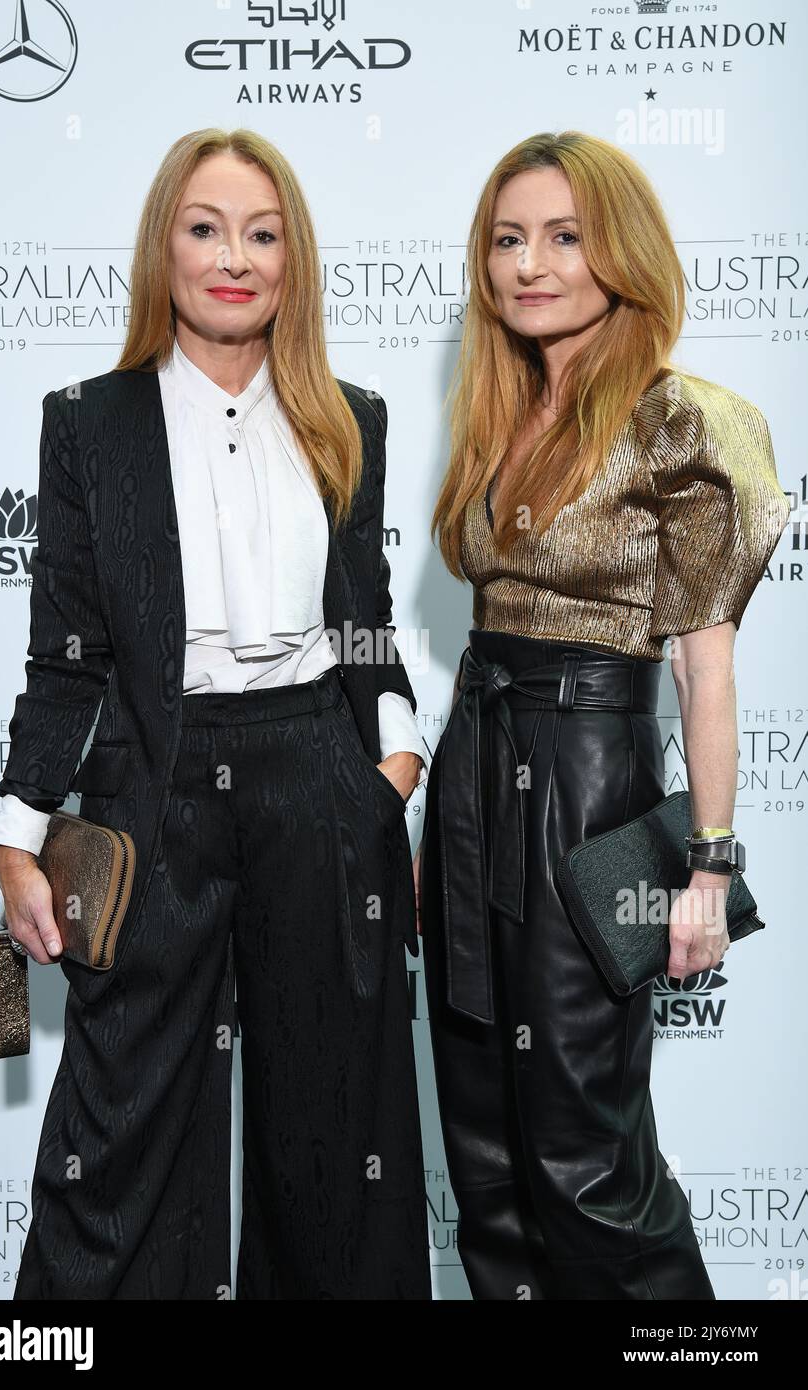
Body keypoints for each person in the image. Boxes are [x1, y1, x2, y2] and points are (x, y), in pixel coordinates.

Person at [0, 127, 432, 1301]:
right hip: (156, 780)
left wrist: (391, 753)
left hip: (316, 776)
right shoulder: (90, 421)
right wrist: (16, 834)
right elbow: (66, 654)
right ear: (164, 249)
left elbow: (364, 620)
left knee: (335, 1130)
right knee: (122, 1130)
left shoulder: (350, 416)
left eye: (261, 232)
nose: (232, 256)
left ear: (292, 259)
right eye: (204, 228)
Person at [416, 131, 790, 1301]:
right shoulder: (497, 416)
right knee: (483, 1150)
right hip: (474, 771)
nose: (530, 264)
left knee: (583, 1159)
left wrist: (708, 869)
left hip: (587, 786)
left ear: (618, 252)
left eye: (565, 237)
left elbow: (703, 672)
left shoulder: (679, 421)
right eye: (508, 239)